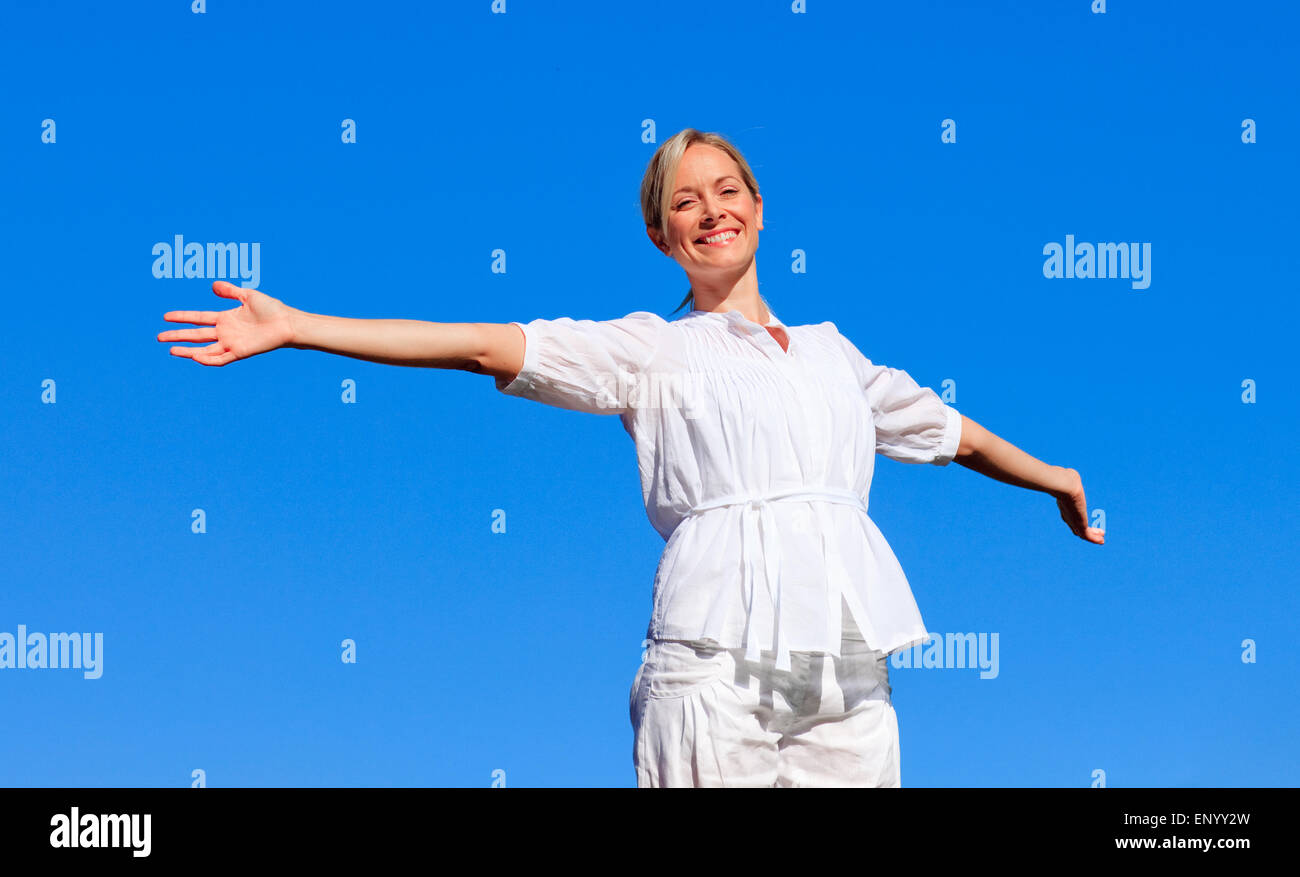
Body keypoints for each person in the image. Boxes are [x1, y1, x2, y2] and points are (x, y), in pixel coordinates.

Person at [157, 127, 1104, 788]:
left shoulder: (834, 352)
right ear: (662, 234)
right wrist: (300, 326)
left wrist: (1054, 475)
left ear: (761, 208)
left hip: (848, 662)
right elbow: (481, 343)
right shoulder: (648, 347)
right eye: (684, 202)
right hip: (710, 659)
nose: (711, 210)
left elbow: (955, 433)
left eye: (727, 190)